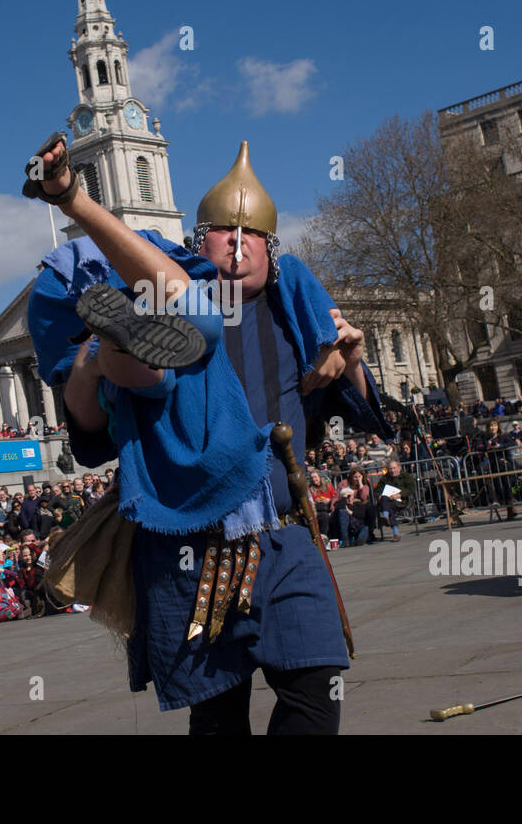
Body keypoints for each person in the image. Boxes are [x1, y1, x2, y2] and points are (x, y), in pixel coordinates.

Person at [26, 136, 389, 734]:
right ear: (199, 242)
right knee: (219, 720)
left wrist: (352, 359)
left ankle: (109, 342)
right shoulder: (174, 285)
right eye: (225, 233)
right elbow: (93, 436)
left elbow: (368, 411)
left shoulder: (299, 317)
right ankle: (108, 344)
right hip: (189, 547)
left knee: (316, 695)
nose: (240, 245)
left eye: (256, 239)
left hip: (283, 534)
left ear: (274, 251)